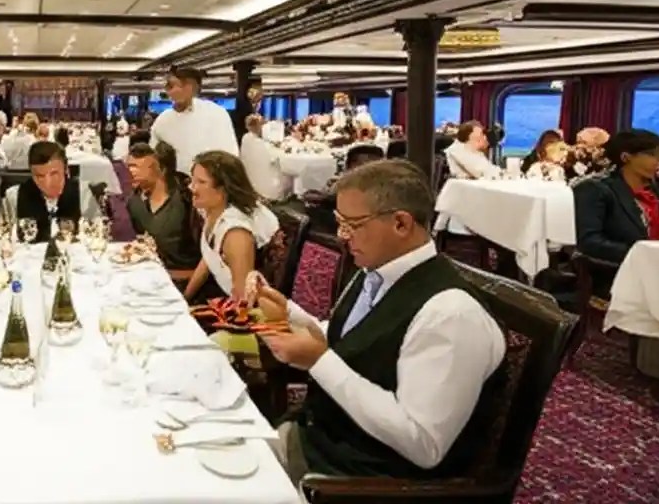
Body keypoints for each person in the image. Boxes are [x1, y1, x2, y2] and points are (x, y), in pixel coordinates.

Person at [257, 159, 506, 488]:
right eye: (338, 223)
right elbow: (354, 338)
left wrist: (319, 361)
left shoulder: (450, 315)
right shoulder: (376, 272)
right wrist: (289, 313)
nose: (341, 237)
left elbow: (423, 443)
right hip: (322, 438)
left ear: (401, 224)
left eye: (352, 225)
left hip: (362, 481)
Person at [574, 129, 659, 265]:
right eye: (653, 155)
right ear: (626, 157)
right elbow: (590, 243)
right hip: (625, 269)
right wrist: (655, 247)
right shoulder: (596, 189)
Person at [182, 151, 279, 302]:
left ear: (223, 189)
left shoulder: (235, 233)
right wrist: (186, 298)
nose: (191, 188)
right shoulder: (210, 209)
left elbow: (244, 297)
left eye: (201, 182)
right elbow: (209, 257)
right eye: (192, 180)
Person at [0, 141, 102, 243]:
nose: (47, 183)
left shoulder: (83, 194)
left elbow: (97, 236)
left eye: (54, 174)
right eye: (40, 176)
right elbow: (1, 238)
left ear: (66, 169)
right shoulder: (14, 196)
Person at [125, 142, 199, 270]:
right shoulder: (134, 202)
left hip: (185, 277)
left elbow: (208, 254)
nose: (132, 172)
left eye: (138, 167)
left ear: (162, 170)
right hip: (151, 272)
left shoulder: (188, 200)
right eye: (130, 167)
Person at [151, 66, 238, 174]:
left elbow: (230, 155)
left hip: (212, 182)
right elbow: (154, 158)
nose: (177, 90)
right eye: (172, 86)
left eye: (185, 85)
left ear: (195, 88)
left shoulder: (216, 113)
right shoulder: (162, 121)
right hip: (177, 184)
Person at [240, 114, 284, 201]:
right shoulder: (262, 145)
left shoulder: (245, 138)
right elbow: (275, 158)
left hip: (250, 180)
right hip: (266, 186)